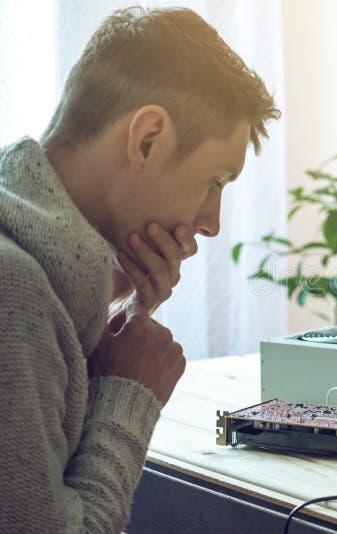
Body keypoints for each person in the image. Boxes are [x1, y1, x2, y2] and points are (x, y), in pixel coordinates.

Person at [0, 6, 279, 532]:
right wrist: (126, 395)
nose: (211, 222)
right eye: (216, 180)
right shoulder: (15, 292)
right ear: (147, 138)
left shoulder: (34, 274)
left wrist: (98, 314)